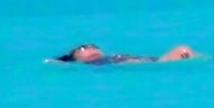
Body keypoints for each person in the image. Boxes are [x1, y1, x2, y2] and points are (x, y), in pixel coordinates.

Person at [56, 43, 198, 64]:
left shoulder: (108, 59)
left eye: (94, 46)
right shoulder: (94, 66)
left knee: (183, 50)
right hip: (154, 64)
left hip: (153, 61)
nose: (91, 48)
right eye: (82, 48)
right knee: (182, 50)